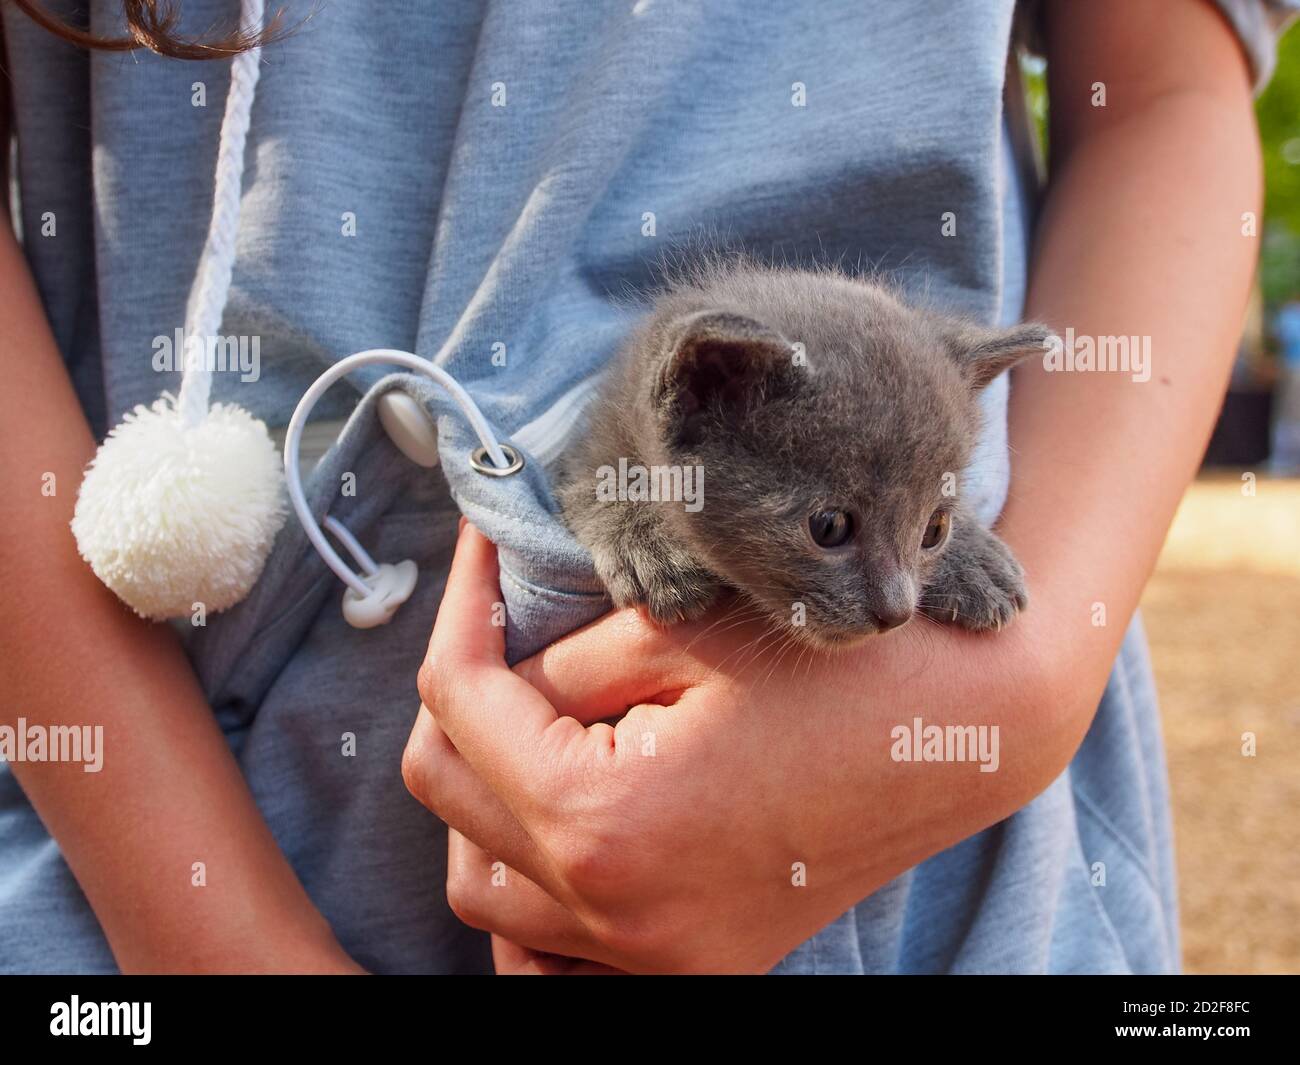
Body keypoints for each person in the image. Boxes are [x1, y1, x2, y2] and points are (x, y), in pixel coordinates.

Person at [0, 0, 1292, 974]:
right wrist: (214, 939)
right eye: (842, 535)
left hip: (919, 869)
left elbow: (1171, 96)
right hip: (160, 859)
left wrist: (1012, 692)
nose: (894, 591)